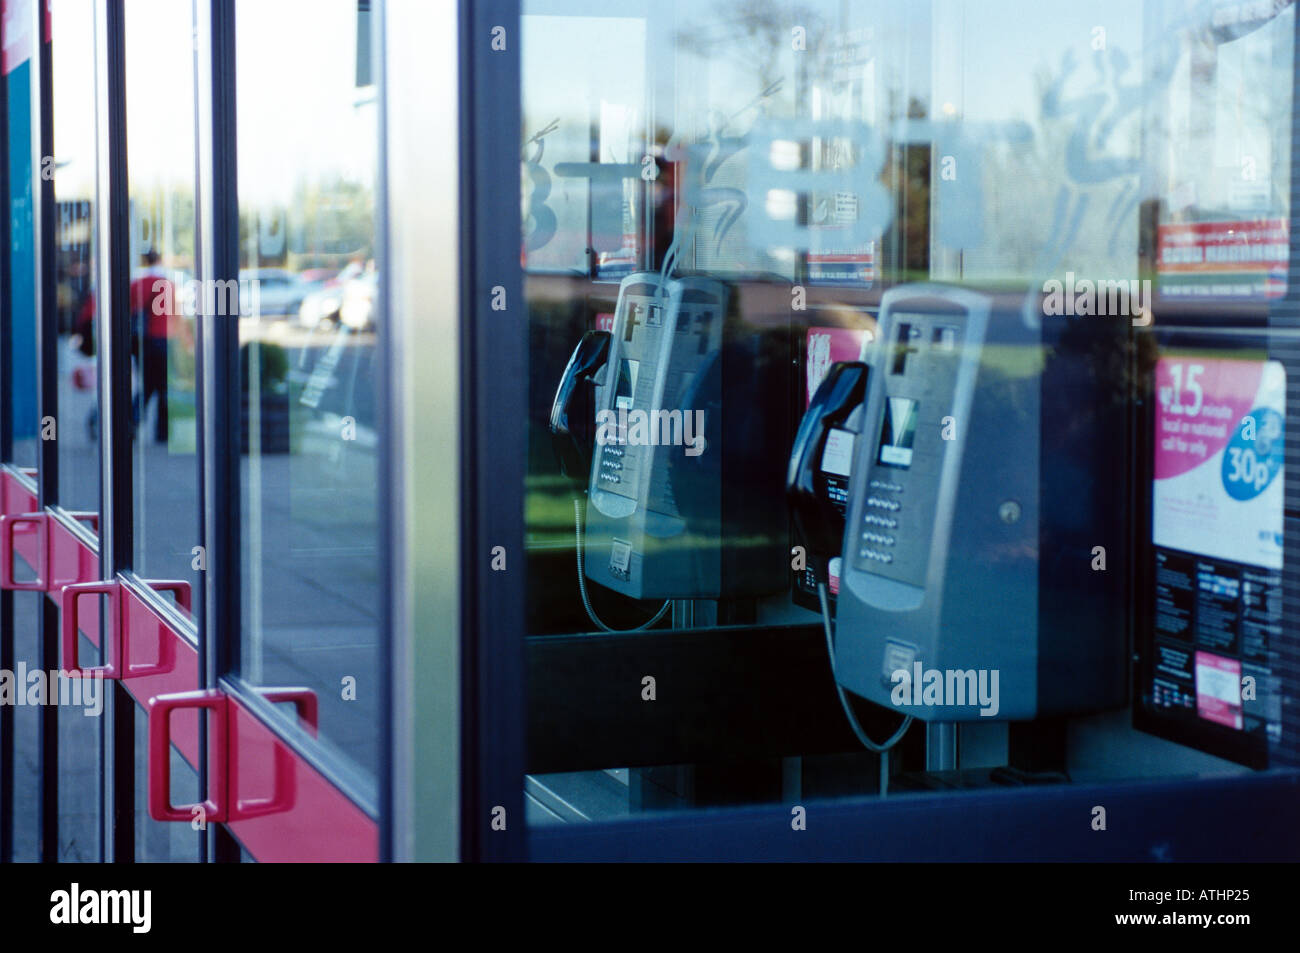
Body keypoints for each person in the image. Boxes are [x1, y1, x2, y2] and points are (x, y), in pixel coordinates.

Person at [130, 250, 174, 443]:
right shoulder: (168, 284)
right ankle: (163, 431)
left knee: (147, 385)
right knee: (164, 386)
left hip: (144, 342)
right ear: (159, 259)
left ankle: (131, 422)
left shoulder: (136, 284)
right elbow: (174, 317)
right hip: (164, 339)